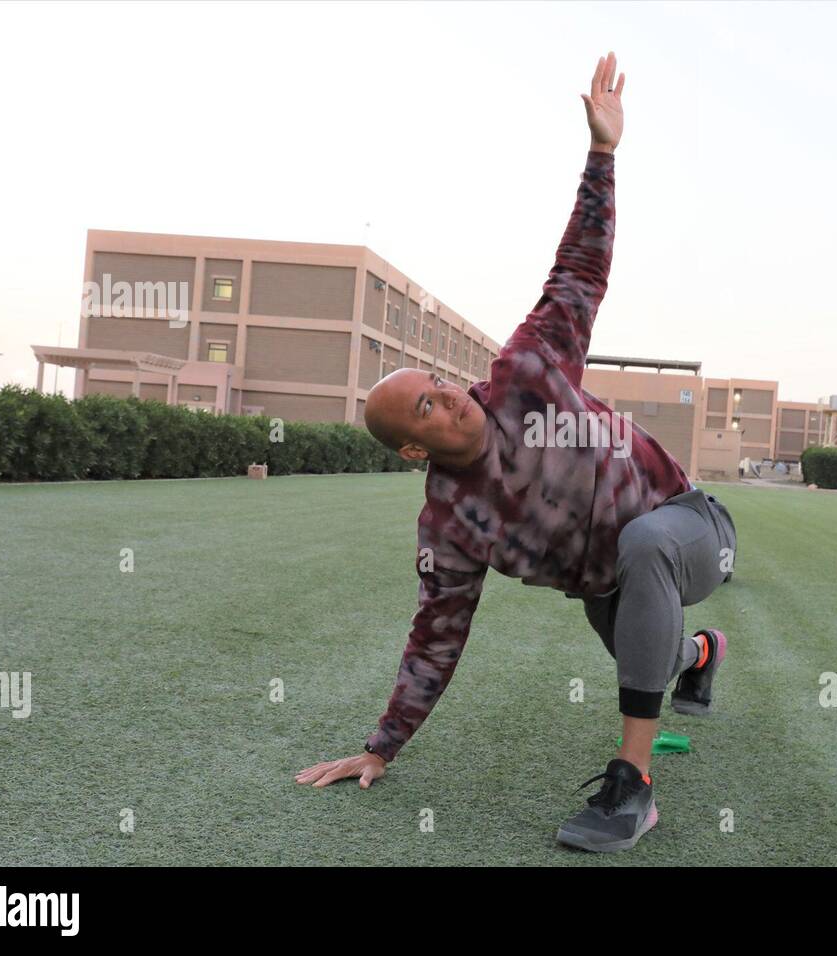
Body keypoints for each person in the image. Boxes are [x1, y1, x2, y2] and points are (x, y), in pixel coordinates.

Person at [295, 51, 738, 853]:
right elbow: (437, 633)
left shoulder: (527, 371)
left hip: (689, 526)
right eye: (426, 405)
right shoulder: (450, 525)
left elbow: (579, 270)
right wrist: (381, 745)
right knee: (656, 655)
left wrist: (602, 153)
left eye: (437, 381)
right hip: (615, 583)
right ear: (409, 449)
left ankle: (632, 787)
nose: (448, 395)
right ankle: (700, 653)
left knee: (644, 550)